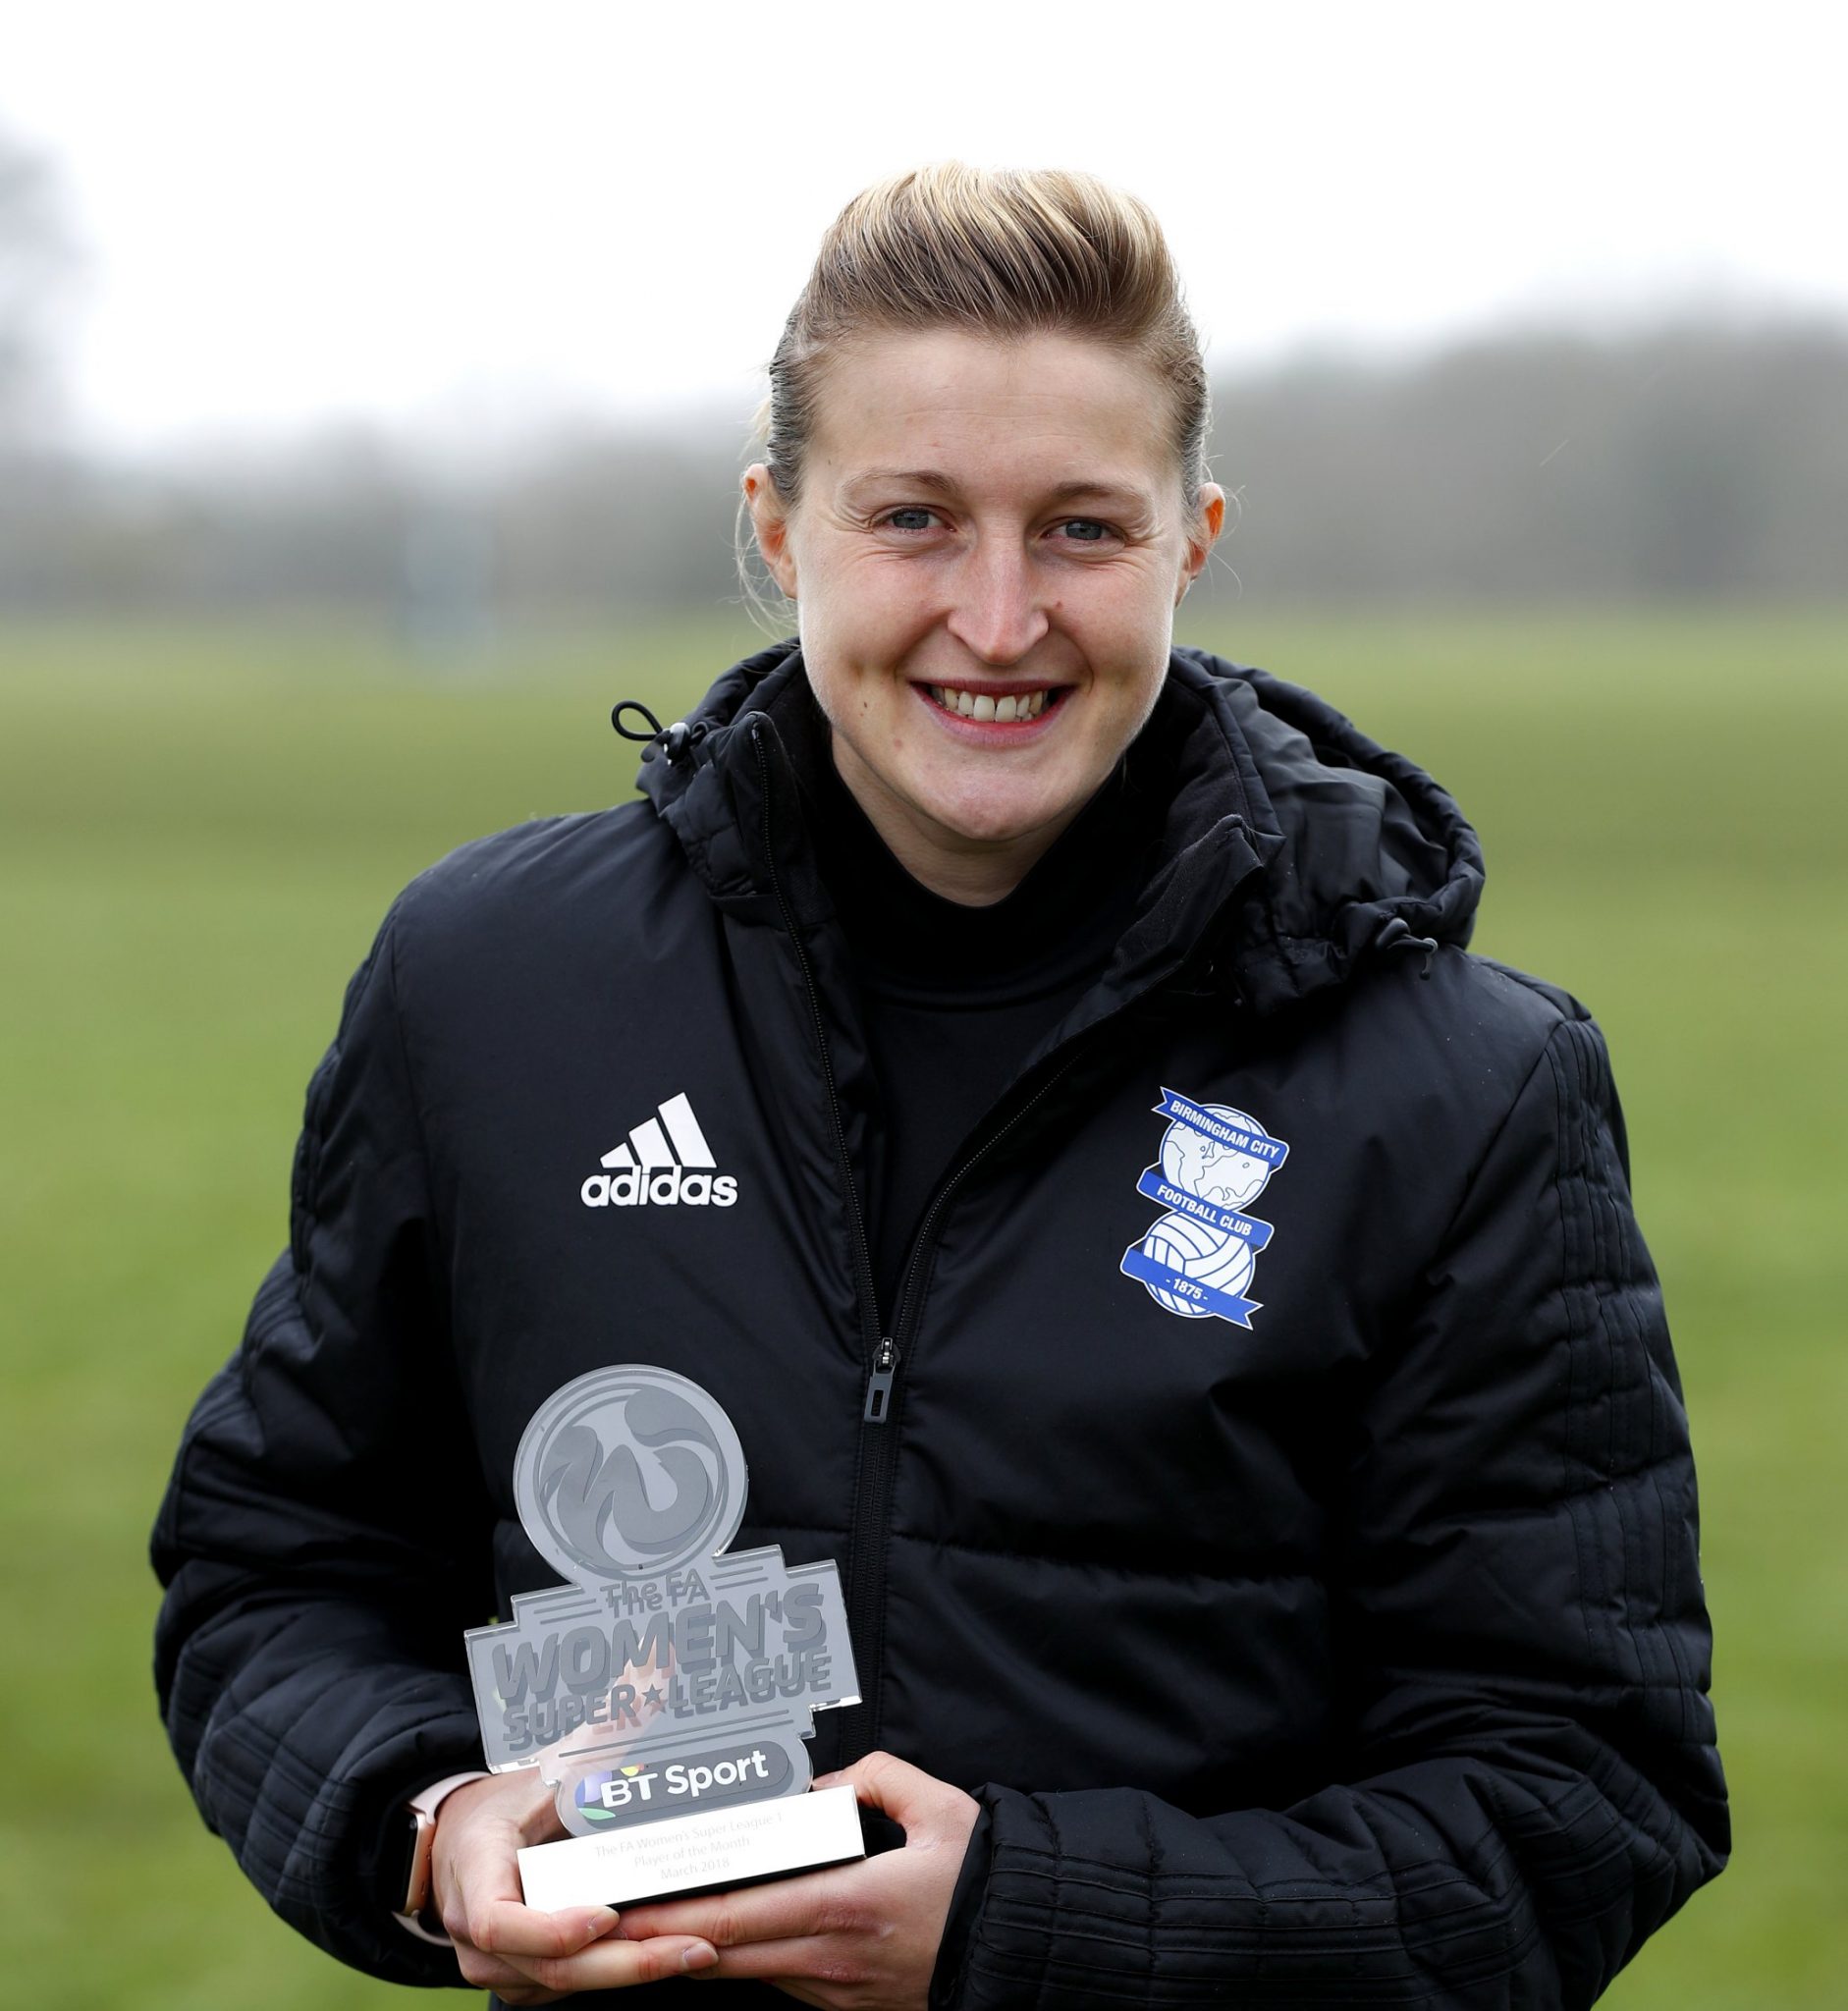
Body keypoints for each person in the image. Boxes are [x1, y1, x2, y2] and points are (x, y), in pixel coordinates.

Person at [151, 162, 1727, 2010]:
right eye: (912, 518)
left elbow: (1578, 1800)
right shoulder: (490, 984)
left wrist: (1024, 1925)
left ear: (1192, 539)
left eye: (1079, 530)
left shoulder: (1459, 1088)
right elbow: (277, 1565)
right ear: (775, 526)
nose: (995, 617)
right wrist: (427, 1820)